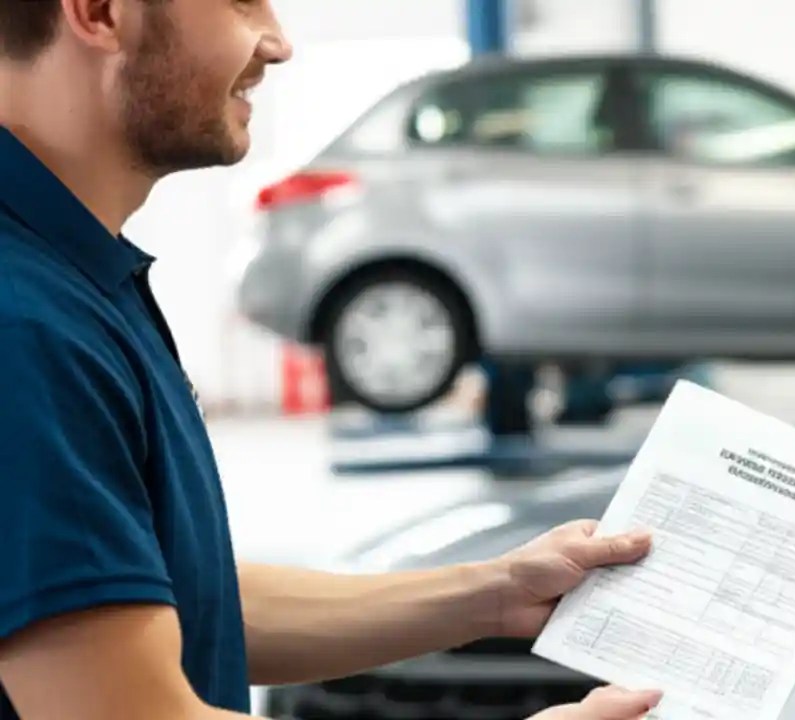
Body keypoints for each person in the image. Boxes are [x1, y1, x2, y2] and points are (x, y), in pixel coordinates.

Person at [0, 1, 660, 719]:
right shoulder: (25, 326)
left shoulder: (67, 275)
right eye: (240, 1)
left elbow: (174, 595)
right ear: (99, 12)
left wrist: (494, 594)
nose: (278, 43)